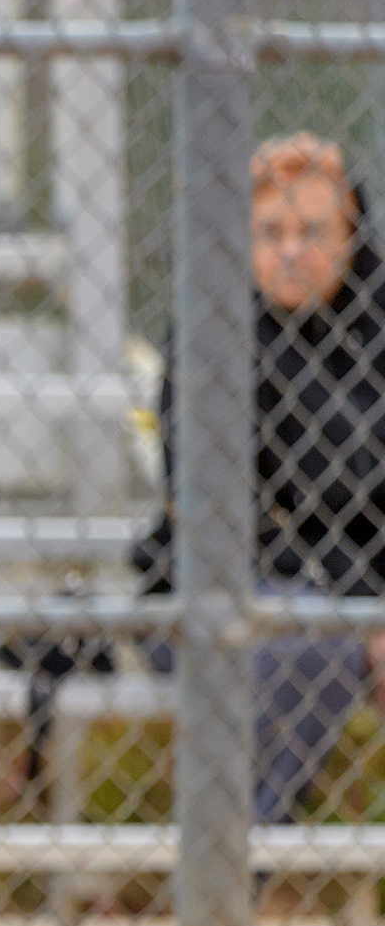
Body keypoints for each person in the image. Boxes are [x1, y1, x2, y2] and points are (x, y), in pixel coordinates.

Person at [128, 131, 385, 824]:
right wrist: (366, 609)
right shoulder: (215, 337)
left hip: (359, 589)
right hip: (227, 583)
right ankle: (231, 875)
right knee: (306, 647)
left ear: (354, 236)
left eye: (315, 230)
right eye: (271, 231)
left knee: (322, 636)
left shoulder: (378, 330)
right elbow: (225, 519)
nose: (293, 249)